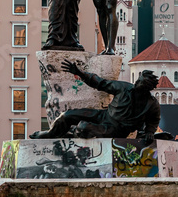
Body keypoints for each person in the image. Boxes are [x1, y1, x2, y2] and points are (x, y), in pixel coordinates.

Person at [30, 60, 161, 142]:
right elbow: (101, 83)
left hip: (116, 129)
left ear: (146, 88)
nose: (136, 83)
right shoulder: (124, 87)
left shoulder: (151, 104)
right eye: (138, 80)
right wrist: (80, 73)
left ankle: (71, 135)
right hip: (104, 115)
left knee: (83, 128)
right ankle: (50, 134)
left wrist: (150, 132)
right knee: (67, 116)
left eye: (140, 83)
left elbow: (154, 120)